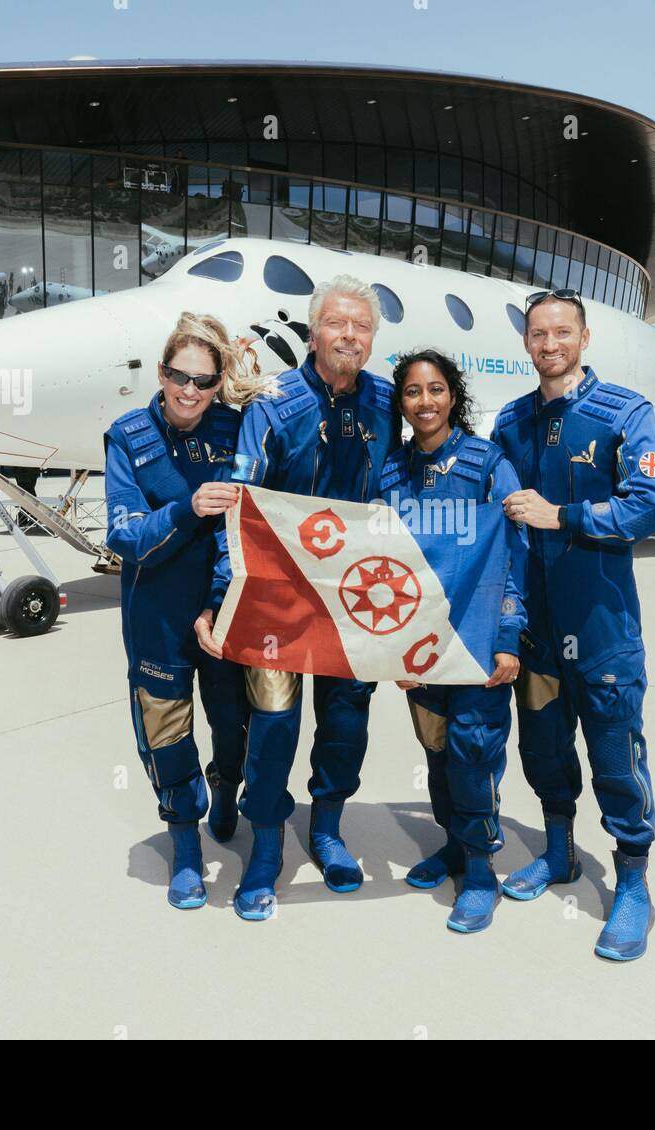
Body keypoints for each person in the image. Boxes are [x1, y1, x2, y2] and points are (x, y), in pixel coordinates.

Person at [196, 275, 400, 922]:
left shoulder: (389, 406)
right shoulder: (274, 404)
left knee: (345, 724)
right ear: (313, 333)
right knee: (274, 723)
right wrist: (224, 597)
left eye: (361, 327)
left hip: (354, 602)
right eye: (337, 324)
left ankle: (329, 829)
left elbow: (408, 497)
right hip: (278, 599)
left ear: (372, 339)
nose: (349, 335)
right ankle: (264, 847)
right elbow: (238, 508)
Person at [491, 287, 655, 962]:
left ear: (583, 338)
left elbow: (653, 502)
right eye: (538, 334)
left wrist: (565, 517)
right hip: (534, 630)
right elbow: (492, 516)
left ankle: (633, 880)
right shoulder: (509, 423)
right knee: (542, 749)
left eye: (561, 332)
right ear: (527, 343)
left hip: (601, 628)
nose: (549, 344)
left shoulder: (623, 413)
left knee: (615, 755)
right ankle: (560, 852)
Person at [104, 311, 270, 909]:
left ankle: (226, 793)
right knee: (167, 731)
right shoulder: (128, 435)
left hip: (222, 611)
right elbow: (123, 535)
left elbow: (253, 514)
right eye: (180, 376)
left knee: (232, 724)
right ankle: (185, 847)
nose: (190, 391)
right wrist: (186, 509)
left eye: (203, 380)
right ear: (161, 371)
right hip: (156, 615)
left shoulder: (236, 426)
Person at [380, 349, 525, 934]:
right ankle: (455, 845)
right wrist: (389, 647)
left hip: (479, 642)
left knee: (473, 751)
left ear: (453, 395)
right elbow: (380, 565)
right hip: (420, 646)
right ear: (402, 402)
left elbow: (516, 553)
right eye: (413, 392)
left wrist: (510, 635)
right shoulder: (390, 473)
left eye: (436, 389)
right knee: (437, 751)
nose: (425, 402)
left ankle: (482, 869)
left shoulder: (490, 464)